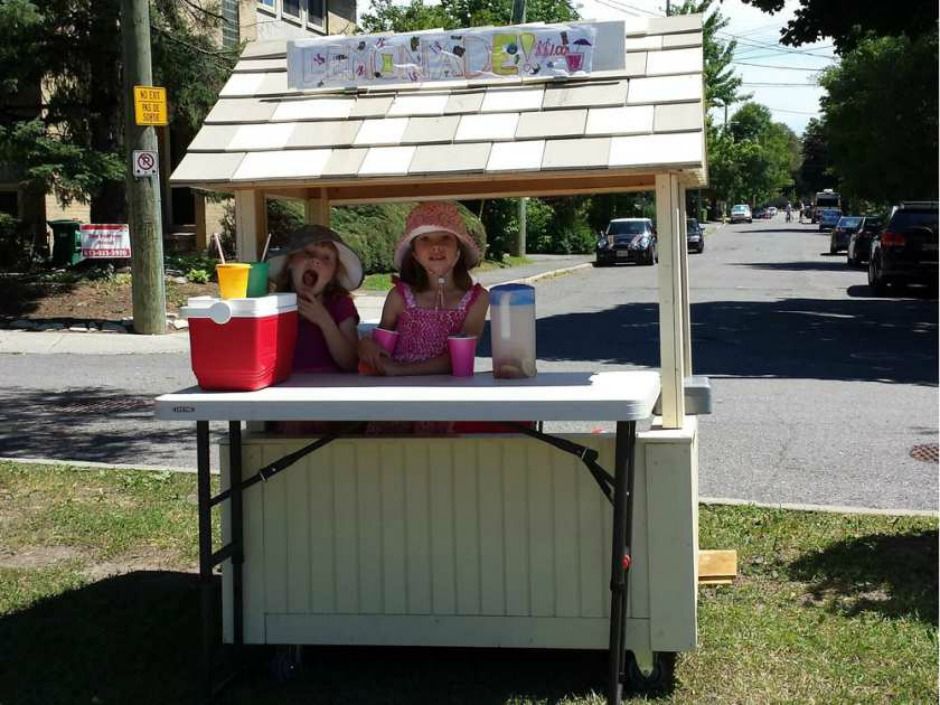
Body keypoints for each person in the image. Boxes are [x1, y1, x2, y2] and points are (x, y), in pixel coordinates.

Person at [358, 201, 489, 376]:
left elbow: (458, 358)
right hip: (398, 389)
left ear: (459, 250)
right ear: (414, 254)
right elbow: (380, 347)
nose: (436, 246)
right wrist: (366, 345)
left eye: (445, 237)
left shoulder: (477, 299)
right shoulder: (399, 296)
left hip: (449, 391)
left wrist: (400, 370)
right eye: (425, 239)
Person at [268, 224, 363, 374]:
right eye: (308, 253)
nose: (315, 260)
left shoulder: (340, 304)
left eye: (326, 258)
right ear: (290, 263)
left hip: (329, 384)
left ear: (333, 274)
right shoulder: (272, 305)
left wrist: (324, 321)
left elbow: (351, 362)